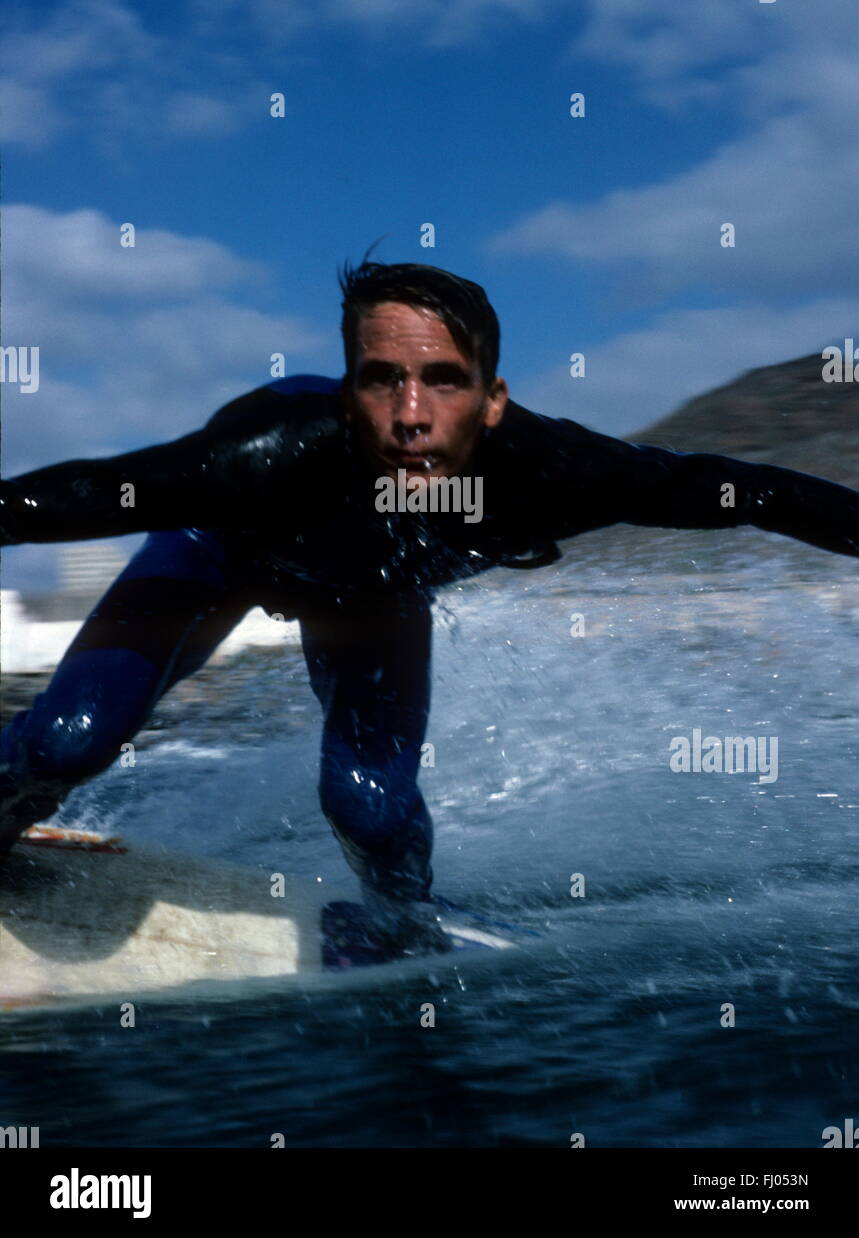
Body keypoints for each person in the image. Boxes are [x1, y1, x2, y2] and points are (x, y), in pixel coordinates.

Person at [1, 260, 857, 954]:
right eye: (383, 382)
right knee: (66, 742)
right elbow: (86, 495)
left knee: (370, 806)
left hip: (370, 595)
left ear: (493, 401)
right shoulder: (271, 452)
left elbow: (742, 489)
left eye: (444, 383)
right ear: (347, 396)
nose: (412, 417)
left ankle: (400, 926)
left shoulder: (551, 472)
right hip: (219, 553)